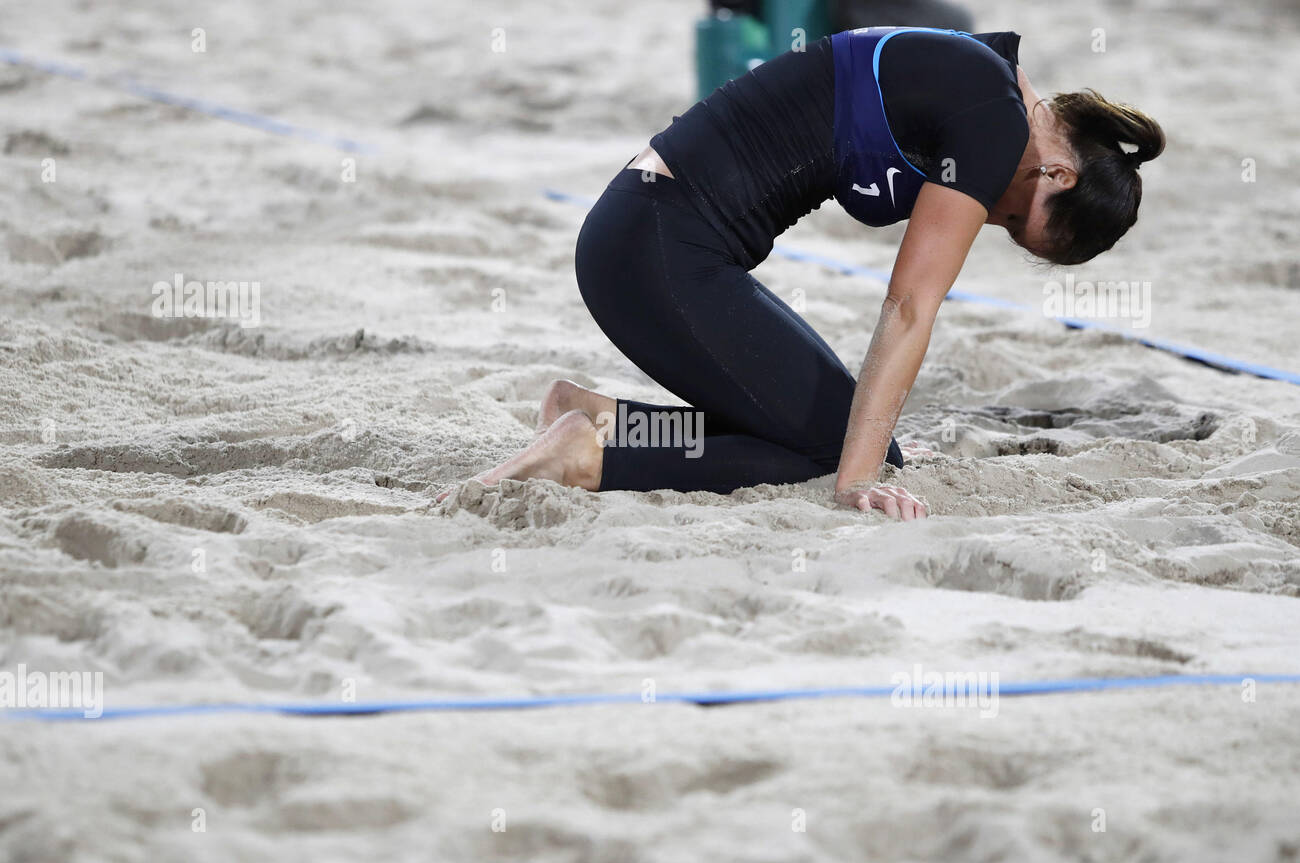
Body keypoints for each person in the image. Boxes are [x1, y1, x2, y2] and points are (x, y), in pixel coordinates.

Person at [441, 27, 1165, 521]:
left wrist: (876, 457)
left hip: (647, 234)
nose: (995, 220)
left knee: (853, 439)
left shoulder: (995, 82)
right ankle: (589, 451)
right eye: (1016, 220)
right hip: (658, 252)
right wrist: (857, 486)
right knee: (836, 454)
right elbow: (910, 307)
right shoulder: (995, 123)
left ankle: (600, 418)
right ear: (1059, 171)